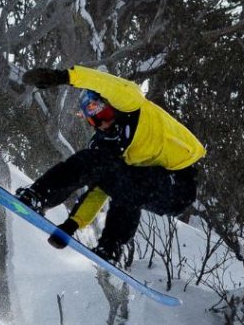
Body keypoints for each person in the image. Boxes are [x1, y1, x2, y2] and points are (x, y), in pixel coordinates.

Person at [12, 65, 205, 261]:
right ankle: (38, 196)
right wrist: (71, 225)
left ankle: (113, 243)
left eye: (104, 116)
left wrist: (62, 77)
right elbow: (100, 189)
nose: (103, 124)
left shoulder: (129, 103)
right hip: (146, 178)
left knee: (131, 184)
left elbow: (103, 83)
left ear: (112, 107)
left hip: (179, 183)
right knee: (93, 162)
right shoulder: (106, 144)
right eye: (95, 121)